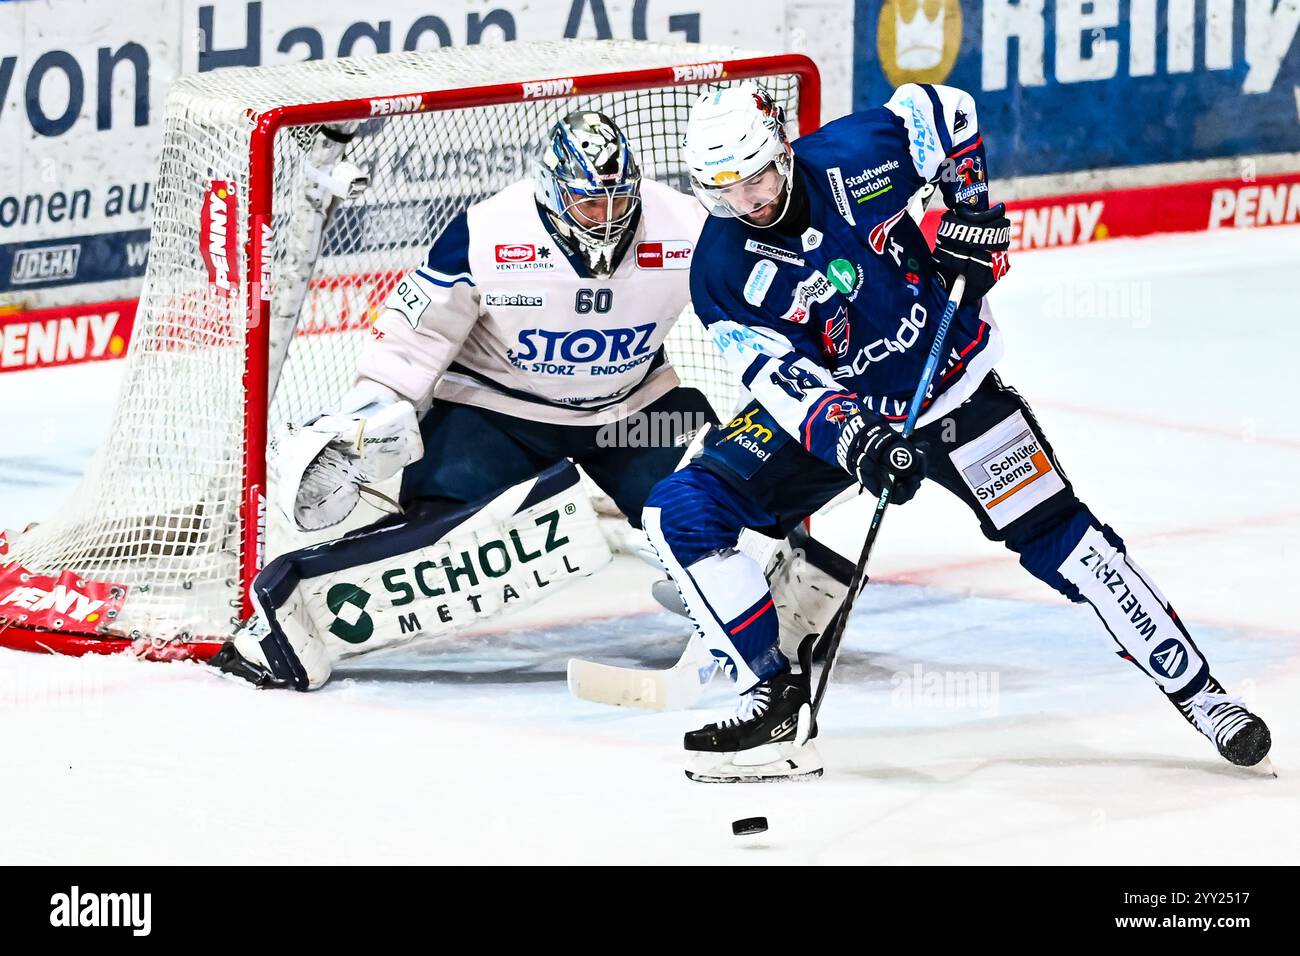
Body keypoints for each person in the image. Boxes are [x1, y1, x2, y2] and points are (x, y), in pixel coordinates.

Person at [642, 83, 1272, 781]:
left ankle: (1206, 698)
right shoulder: (721, 272)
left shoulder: (856, 155)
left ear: (784, 151)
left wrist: (969, 215)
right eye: (725, 191)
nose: (749, 203)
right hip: (843, 413)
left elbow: (950, 113)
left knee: (1072, 545)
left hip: (958, 386)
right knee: (682, 512)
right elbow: (782, 381)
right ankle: (773, 696)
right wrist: (860, 441)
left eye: (757, 179)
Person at [213, 110, 716, 690]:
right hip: (499, 412)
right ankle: (285, 620)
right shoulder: (488, 233)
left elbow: (742, 305)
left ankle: (769, 602)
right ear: (553, 192)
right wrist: (368, 418)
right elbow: (411, 341)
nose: (606, 219)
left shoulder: (685, 224)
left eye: (617, 202)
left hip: (630, 412)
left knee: (720, 492)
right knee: (438, 540)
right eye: (588, 204)